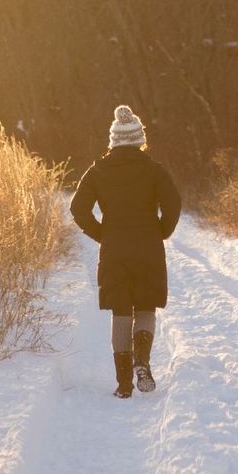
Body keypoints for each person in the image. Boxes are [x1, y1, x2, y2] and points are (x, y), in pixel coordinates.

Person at [70, 105, 182, 398]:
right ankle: (142, 361)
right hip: (148, 246)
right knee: (145, 305)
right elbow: (173, 204)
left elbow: (78, 208)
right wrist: (162, 230)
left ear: (114, 140)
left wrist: (101, 234)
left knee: (121, 309)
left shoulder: (98, 170)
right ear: (138, 139)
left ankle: (123, 385)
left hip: (115, 247)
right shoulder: (154, 170)